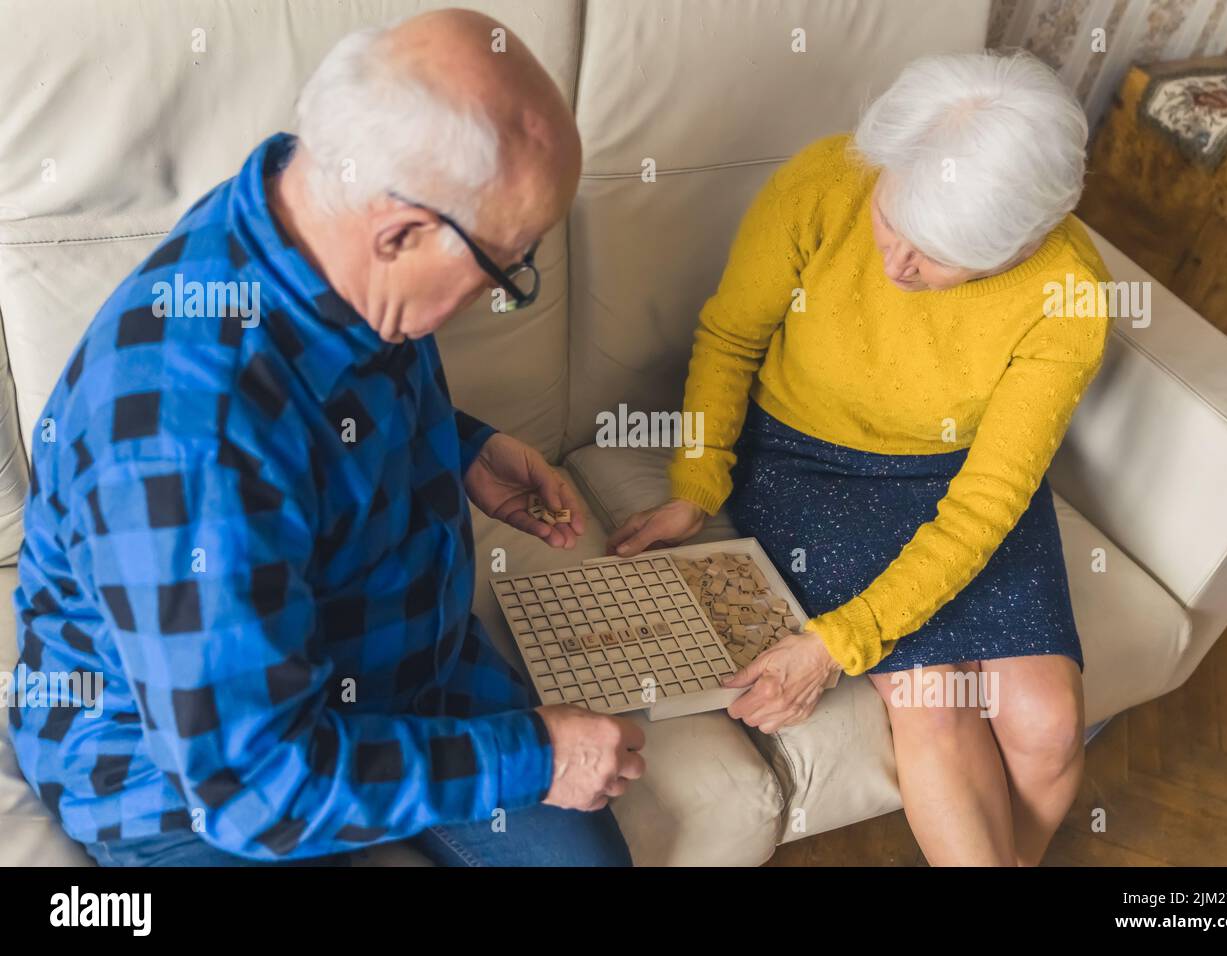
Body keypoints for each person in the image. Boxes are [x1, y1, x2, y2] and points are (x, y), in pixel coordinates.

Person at [10, 9, 643, 867]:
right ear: (399, 233)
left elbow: (312, 430)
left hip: (406, 673)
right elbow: (257, 794)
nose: (507, 289)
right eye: (508, 266)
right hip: (197, 785)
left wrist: (457, 449)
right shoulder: (190, 439)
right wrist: (537, 756)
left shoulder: (310, 209)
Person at [608, 50, 1113, 866]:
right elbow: (732, 338)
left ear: (1023, 243)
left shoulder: (1069, 294)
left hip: (962, 483)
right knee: (934, 700)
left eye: (940, 257)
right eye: (893, 224)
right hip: (811, 464)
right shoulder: (825, 183)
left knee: (1049, 724)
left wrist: (838, 643)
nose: (896, 267)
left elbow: (986, 503)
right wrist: (697, 484)